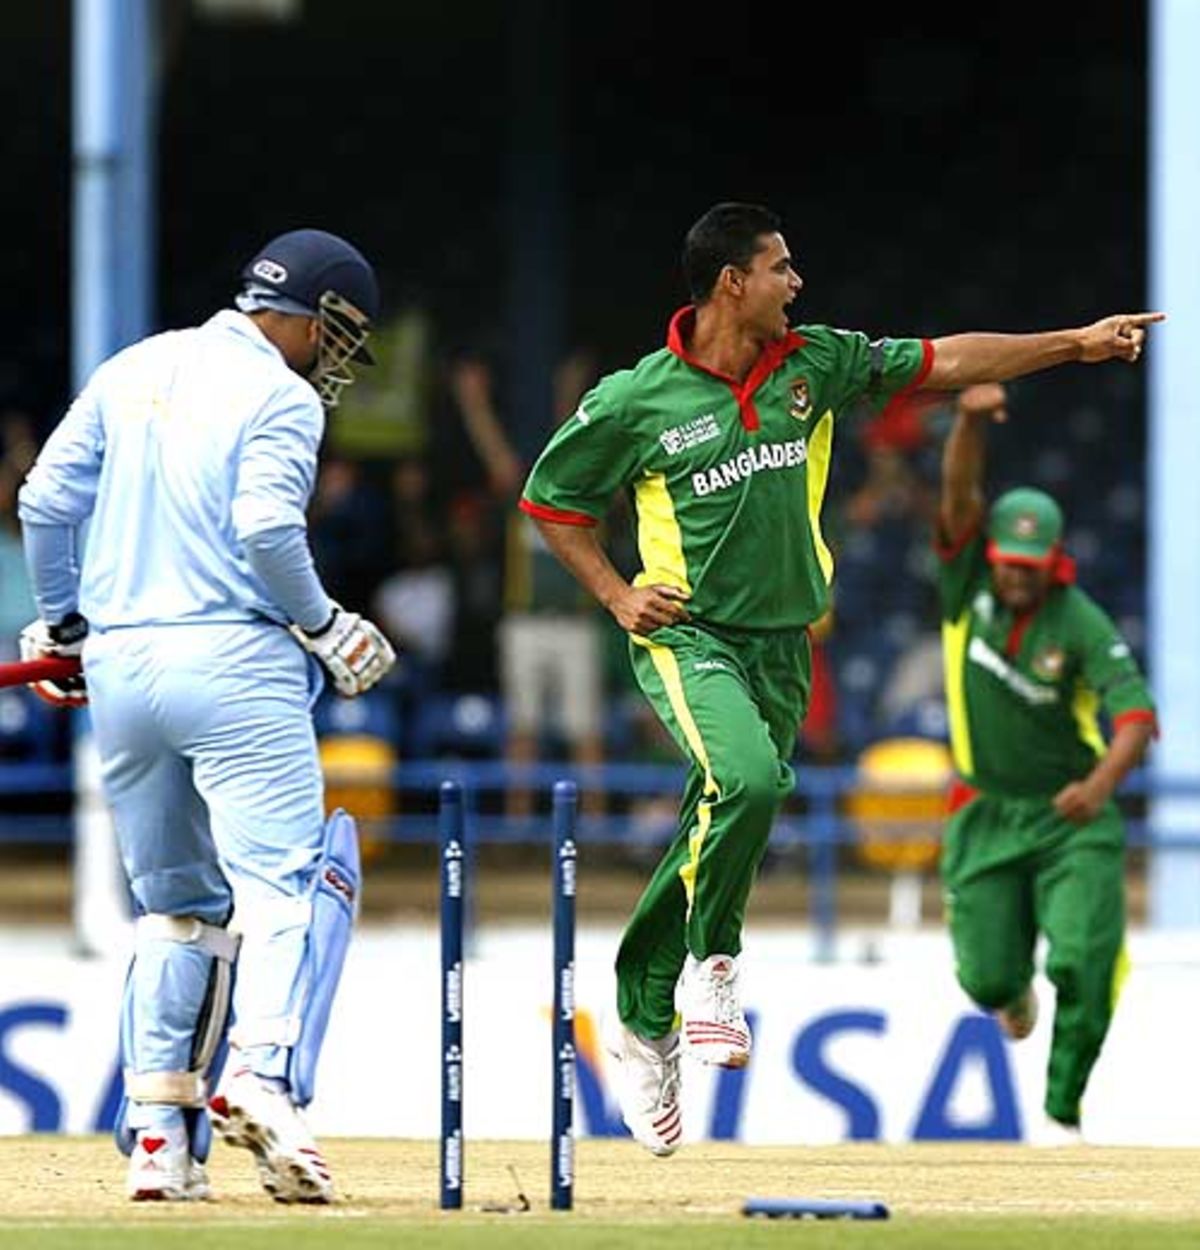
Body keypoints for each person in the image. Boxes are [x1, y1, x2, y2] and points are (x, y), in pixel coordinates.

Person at [517, 200, 1162, 1156]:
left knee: (723, 805)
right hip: (689, 637)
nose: (797, 282)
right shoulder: (633, 400)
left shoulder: (815, 363)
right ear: (732, 282)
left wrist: (1075, 343)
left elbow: (949, 361)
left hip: (785, 646)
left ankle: (642, 1017)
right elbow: (551, 501)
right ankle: (710, 970)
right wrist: (615, 594)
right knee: (744, 783)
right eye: (781, 268)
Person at [16, 228, 396, 1202]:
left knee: (178, 908)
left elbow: (46, 500)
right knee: (280, 886)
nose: (339, 359)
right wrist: (325, 623)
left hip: (125, 667)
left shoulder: (135, 365)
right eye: (343, 335)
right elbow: (266, 527)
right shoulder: (281, 394)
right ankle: (260, 1075)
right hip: (234, 658)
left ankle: (158, 1142)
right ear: (322, 317)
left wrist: (64, 623)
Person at [935, 381, 1157, 1144]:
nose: (1017, 576)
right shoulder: (966, 590)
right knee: (987, 980)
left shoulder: (1080, 619)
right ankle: (1010, 992)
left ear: (1054, 559)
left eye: (1032, 564)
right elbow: (960, 496)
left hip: (1070, 815)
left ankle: (1063, 1112)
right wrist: (967, 421)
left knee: (1084, 961)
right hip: (985, 809)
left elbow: (1136, 715)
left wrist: (1099, 787)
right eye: (1008, 562)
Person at [450, 346, 611, 820]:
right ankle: (518, 828)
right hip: (525, 623)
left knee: (587, 732)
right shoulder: (523, 493)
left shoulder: (588, 494)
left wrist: (569, 393)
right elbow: (497, 457)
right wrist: (473, 404)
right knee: (522, 730)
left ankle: (596, 828)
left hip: (577, 624)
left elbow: (575, 436)